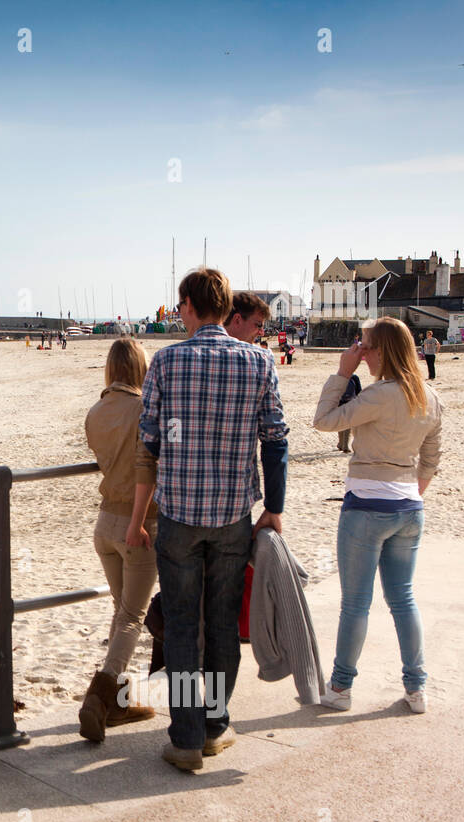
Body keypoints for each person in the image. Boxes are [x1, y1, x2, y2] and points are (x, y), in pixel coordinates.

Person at [129, 268, 288, 773]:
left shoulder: (167, 361)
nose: (178, 313)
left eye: (180, 306)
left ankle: (186, 735)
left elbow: (149, 439)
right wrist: (275, 508)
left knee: (180, 625)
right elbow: (276, 440)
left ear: (192, 306)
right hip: (231, 516)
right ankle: (216, 726)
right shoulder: (260, 362)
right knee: (220, 624)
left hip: (178, 514)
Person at [310, 317, 442, 714]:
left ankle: (340, 688)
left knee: (356, 603)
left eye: (365, 346)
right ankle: (416, 688)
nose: (360, 353)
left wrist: (341, 373)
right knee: (403, 599)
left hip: (367, 506)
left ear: (382, 350)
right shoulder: (429, 396)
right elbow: (431, 460)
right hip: (408, 508)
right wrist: (407, 492)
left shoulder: (380, 394)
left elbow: (323, 421)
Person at [78, 337, 157, 742]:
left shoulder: (96, 411)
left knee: (122, 611)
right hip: (137, 524)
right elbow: (148, 466)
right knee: (131, 617)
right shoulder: (145, 409)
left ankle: (120, 703)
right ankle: (100, 694)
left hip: (104, 522)